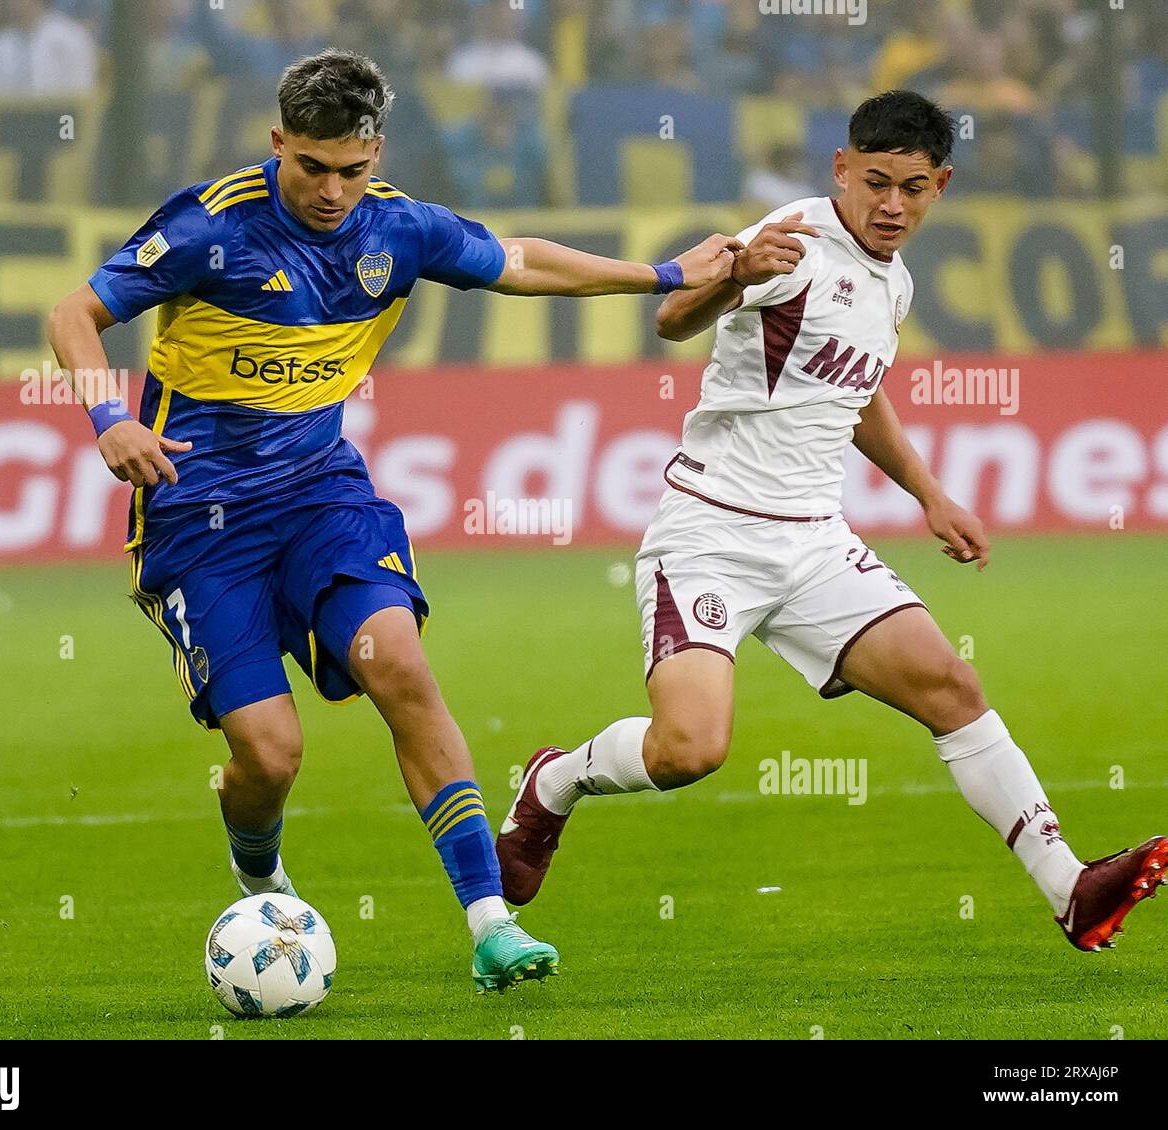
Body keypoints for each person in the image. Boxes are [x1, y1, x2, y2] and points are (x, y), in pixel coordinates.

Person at [48, 49, 740, 993]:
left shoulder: (399, 227)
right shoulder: (211, 227)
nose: (333, 192)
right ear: (278, 141)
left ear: (376, 150)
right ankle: (261, 872)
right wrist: (109, 416)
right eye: (313, 168)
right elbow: (75, 313)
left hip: (322, 497)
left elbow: (522, 260)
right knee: (268, 753)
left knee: (400, 665)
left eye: (353, 169)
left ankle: (490, 923)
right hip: (198, 517)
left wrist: (659, 274)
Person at [496, 89, 1166, 955]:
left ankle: (1068, 886)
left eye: (914, 188)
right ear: (842, 168)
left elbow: (857, 396)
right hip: (710, 534)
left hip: (815, 544)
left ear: (941, 185)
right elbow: (670, 318)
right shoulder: (796, 240)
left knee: (953, 691)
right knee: (690, 750)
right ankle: (557, 780)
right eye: (876, 182)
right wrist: (734, 275)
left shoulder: (895, 280)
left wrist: (929, 494)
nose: (892, 205)